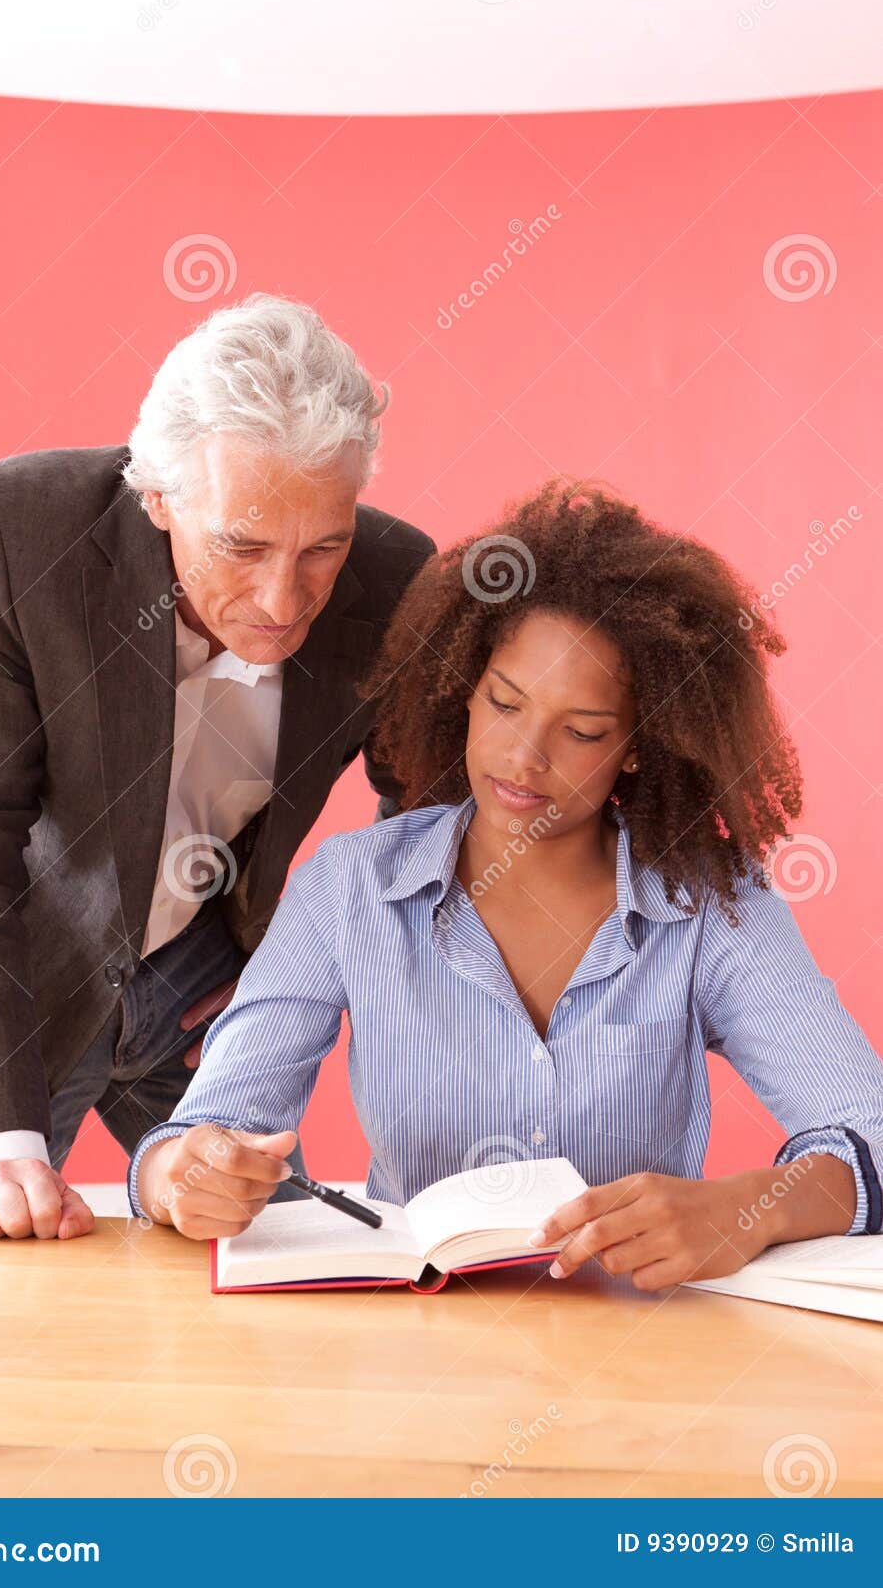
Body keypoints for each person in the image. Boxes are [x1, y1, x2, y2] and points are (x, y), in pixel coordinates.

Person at [130, 480, 883, 1290]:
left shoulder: (709, 906)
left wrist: (743, 1209)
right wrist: (181, 1176)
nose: (524, 759)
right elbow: (206, 1133)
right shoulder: (350, 889)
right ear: (465, 689)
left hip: (641, 1357)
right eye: (504, 703)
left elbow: (866, 1136)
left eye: (583, 731)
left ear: (640, 744)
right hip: (419, 1347)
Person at [0, 294, 434, 1238]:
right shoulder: (12, 534)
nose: (284, 600)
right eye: (240, 545)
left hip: (201, 978)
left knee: (268, 1276)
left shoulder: (398, 579)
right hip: (4, 970)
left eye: (323, 545)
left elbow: (428, 837)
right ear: (156, 495)